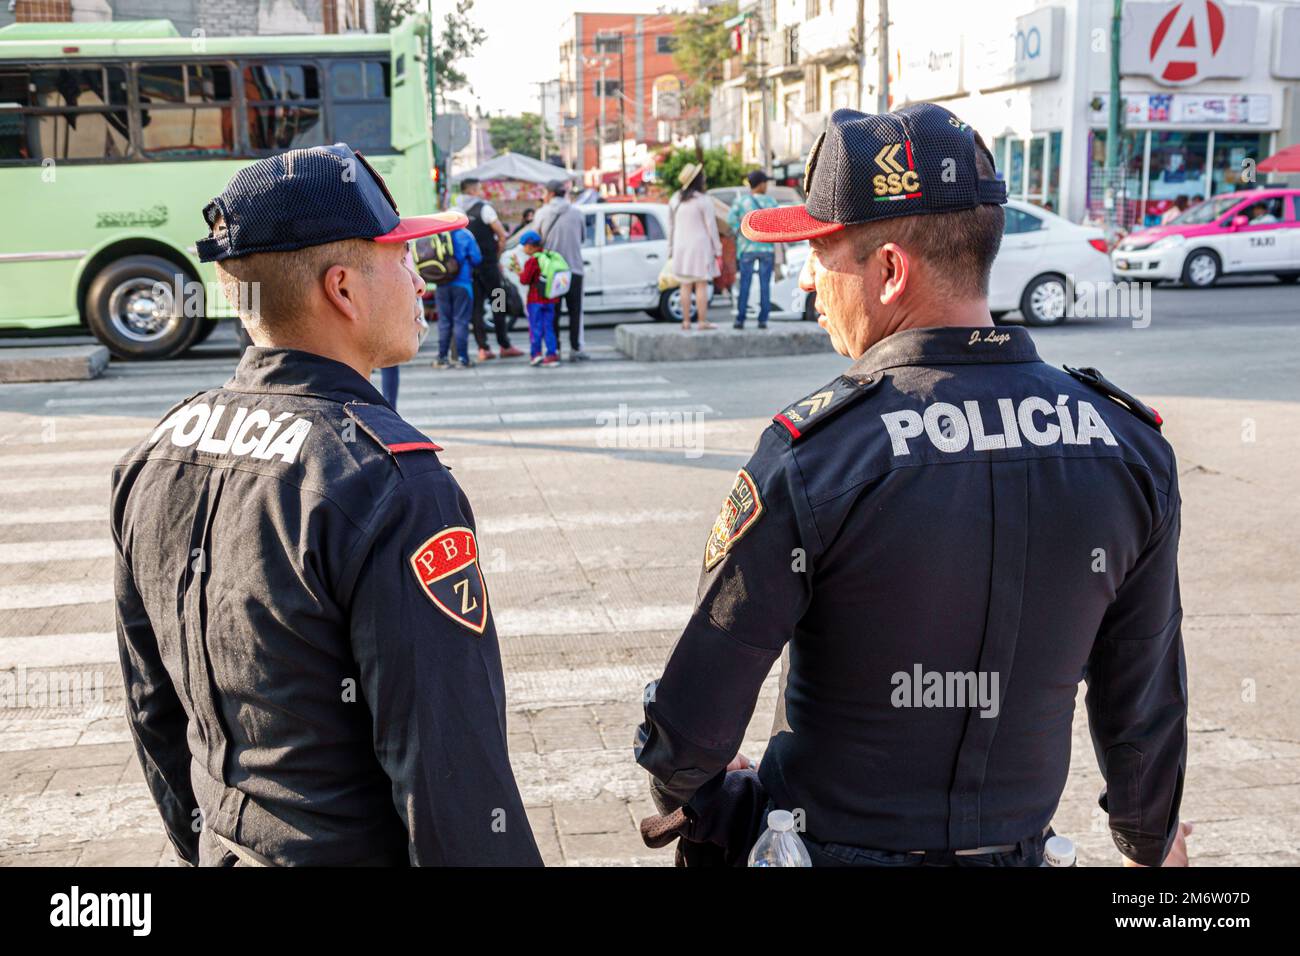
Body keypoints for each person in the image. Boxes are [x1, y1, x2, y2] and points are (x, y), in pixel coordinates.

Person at [634, 105, 1192, 869]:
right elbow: (1145, 703)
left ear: (890, 270)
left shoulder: (816, 456)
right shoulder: (1129, 449)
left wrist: (693, 785)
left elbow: (691, 727)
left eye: (820, 253)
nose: (806, 279)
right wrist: (1149, 843)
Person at [112, 143, 541, 866]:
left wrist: (203, 843)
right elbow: (449, 772)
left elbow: (152, 706)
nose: (418, 280)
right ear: (343, 288)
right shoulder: (392, 482)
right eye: (401, 258)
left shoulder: (157, 449)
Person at [457, 178, 523, 361]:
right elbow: (502, 234)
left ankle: (482, 348)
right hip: (489, 266)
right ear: (472, 190)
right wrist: (497, 254)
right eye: (478, 189)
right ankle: (504, 344)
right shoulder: (484, 209)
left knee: (476, 307)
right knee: (498, 302)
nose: (480, 192)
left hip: (469, 268)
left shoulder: (458, 211)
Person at [533, 179, 589, 361]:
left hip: (551, 272)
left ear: (549, 194)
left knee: (552, 312)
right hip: (574, 269)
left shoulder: (541, 214)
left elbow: (536, 240)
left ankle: (554, 348)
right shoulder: (577, 213)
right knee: (575, 312)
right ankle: (576, 348)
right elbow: (582, 238)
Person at [667, 162, 722, 331]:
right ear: (697, 179)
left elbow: (670, 226)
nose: (704, 178)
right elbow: (711, 227)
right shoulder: (703, 200)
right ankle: (702, 321)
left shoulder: (675, 199)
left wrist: (670, 249)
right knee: (701, 285)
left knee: (684, 285)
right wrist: (717, 249)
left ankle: (685, 322)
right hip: (700, 248)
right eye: (702, 176)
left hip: (680, 248)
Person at [727, 169, 779, 329]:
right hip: (766, 248)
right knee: (765, 284)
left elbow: (730, 220)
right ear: (761, 184)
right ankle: (763, 319)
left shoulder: (742, 202)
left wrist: (741, 231)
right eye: (766, 183)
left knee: (745, 283)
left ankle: (740, 319)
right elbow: (778, 222)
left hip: (747, 247)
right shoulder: (771, 202)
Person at [432, 225, 482, 369]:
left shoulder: (439, 233)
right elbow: (476, 258)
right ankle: (462, 358)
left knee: (444, 321)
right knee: (461, 321)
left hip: (441, 283)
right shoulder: (465, 234)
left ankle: (442, 357)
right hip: (462, 284)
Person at [510, 228, 560, 367]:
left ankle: (536, 354)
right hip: (550, 299)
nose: (524, 250)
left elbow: (525, 280)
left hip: (535, 301)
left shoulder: (532, 261)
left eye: (524, 246)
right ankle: (551, 354)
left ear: (530, 246)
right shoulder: (549, 257)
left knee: (535, 328)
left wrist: (519, 271)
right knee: (549, 327)